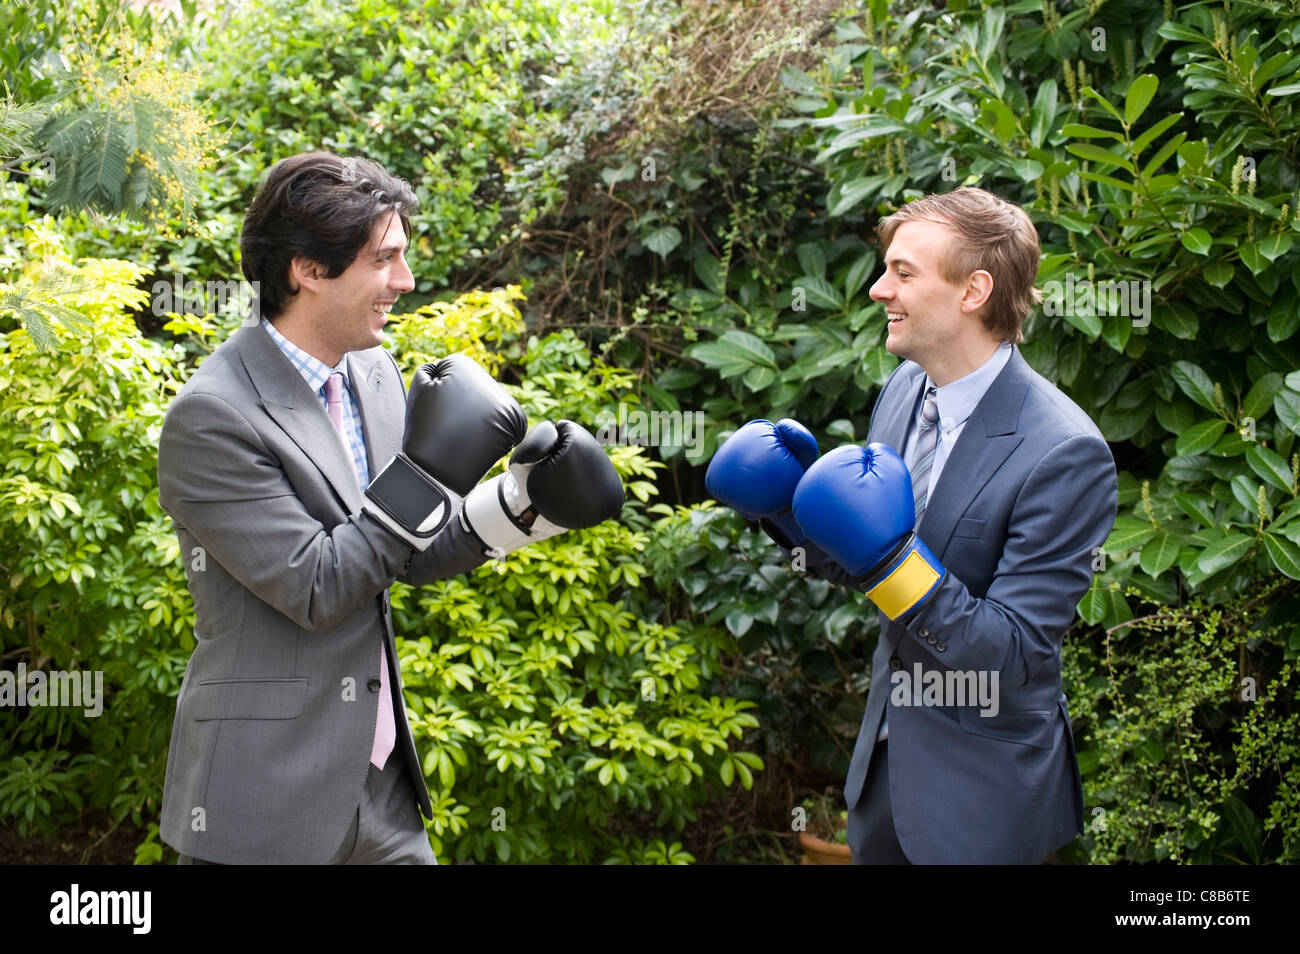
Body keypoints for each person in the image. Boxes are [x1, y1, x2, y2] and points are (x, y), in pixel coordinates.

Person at [156, 152, 622, 864]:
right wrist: (426, 471)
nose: (404, 282)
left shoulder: (373, 372)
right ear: (308, 270)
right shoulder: (214, 418)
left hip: (380, 788)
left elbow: (404, 551)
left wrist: (526, 505)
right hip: (264, 798)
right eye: (385, 260)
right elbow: (319, 587)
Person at [707, 186, 1117, 864]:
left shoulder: (1063, 452)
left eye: (902, 273)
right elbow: (864, 561)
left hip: (984, 797)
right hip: (887, 776)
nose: (877, 291)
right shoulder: (906, 389)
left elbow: (1009, 655)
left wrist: (891, 562)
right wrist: (780, 506)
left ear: (973, 291)